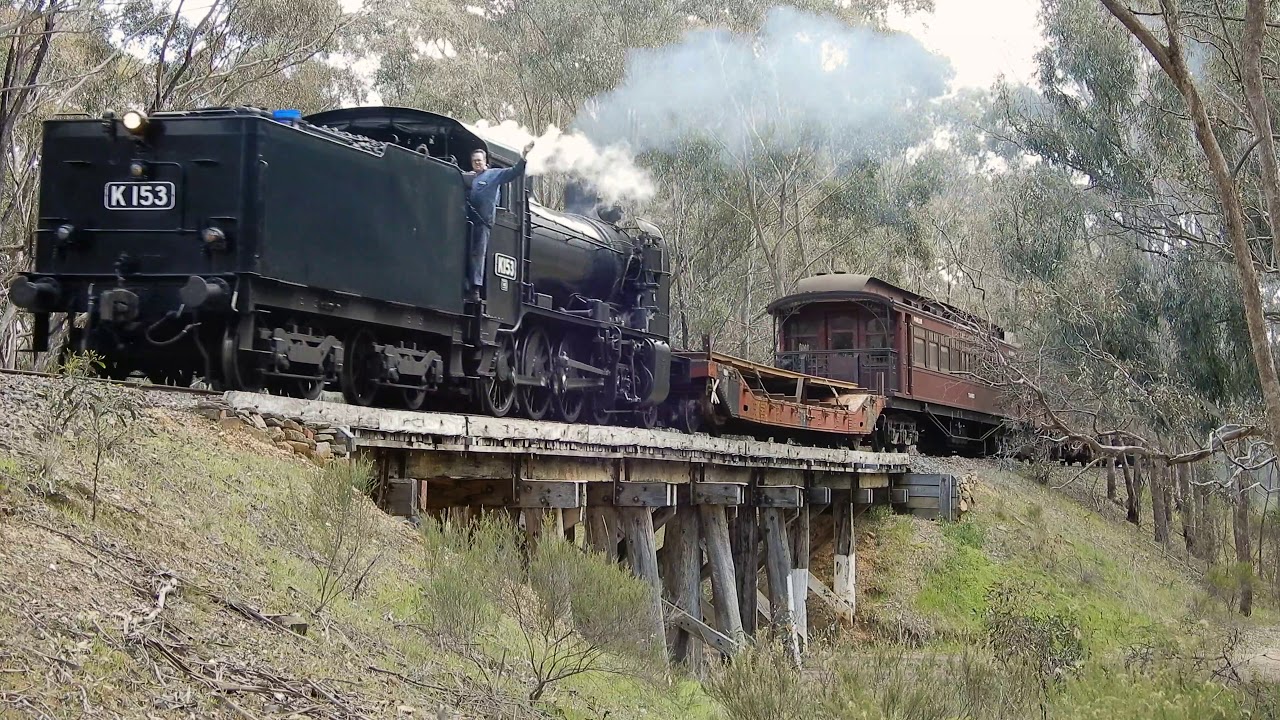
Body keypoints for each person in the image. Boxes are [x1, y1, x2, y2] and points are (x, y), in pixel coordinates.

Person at [464, 140, 535, 300]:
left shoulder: (493, 174)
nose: (476, 163)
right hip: (467, 220)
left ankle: (475, 288)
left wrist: (523, 156)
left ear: (485, 162)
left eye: (479, 161)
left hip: (483, 221)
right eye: (474, 161)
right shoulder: (468, 176)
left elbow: (513, 172)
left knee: (478, 253)